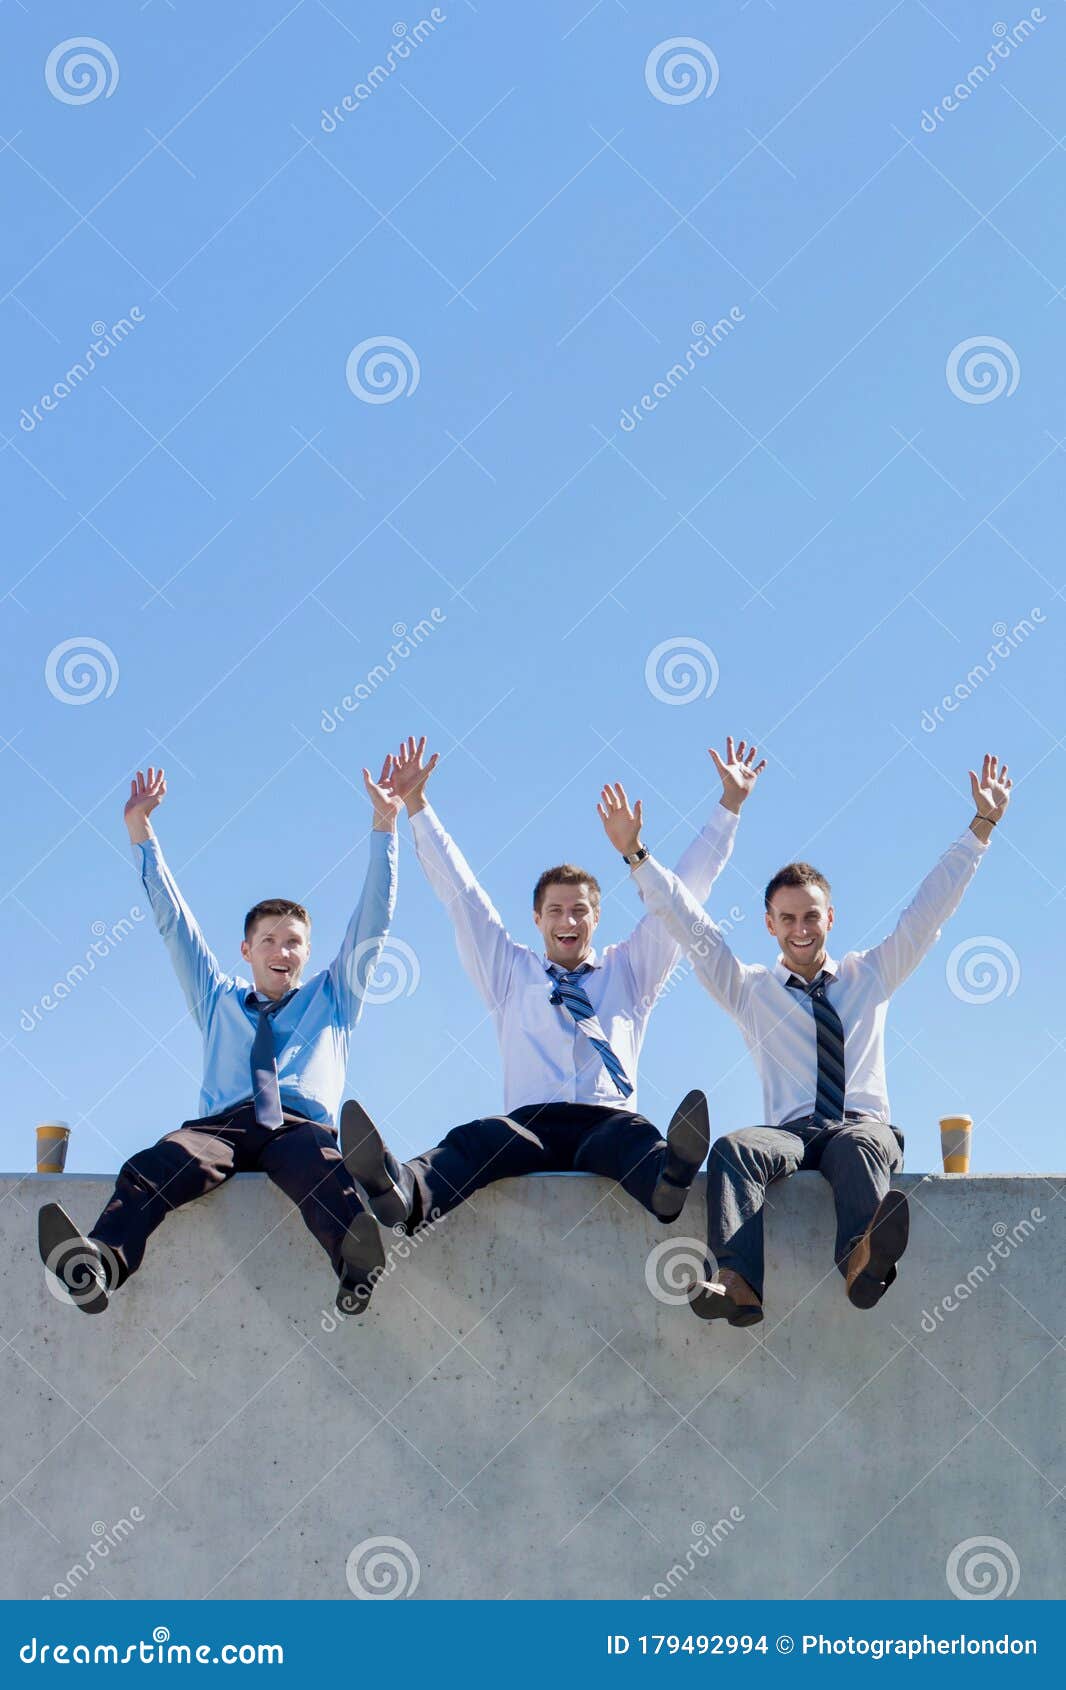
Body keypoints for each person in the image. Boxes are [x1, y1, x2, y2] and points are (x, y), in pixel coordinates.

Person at [599, 753, 1013, 1325]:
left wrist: (981, 830)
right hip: (792, 1135)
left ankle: (862, 1261)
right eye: (788, 918)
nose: (801, 929)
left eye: (811, 917)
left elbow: (928, 912)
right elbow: (689, 924)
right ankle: (738, 1281)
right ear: (769, 924)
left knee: (855, 1145)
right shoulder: (750, 989)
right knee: (735, 1147)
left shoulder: (872, 974)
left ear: (830, 918)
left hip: (862, 1128)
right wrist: (637, 856)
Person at [340, 734, 765, 1268]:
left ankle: (667, 1180)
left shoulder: (629, 970)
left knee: (636, 1138)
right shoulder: (509, 970)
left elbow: (685, 896)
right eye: (557, 910)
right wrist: (419, 807)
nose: (569, 921)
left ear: (597, 917)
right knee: (477, 1138)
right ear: (536, 920)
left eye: (581, 910)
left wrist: (728, 808)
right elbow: (462, 896)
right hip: (529, 1127)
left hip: (605, 1121)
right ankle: (404, 1190)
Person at [37, 759, 400, 1318]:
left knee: (319, 1163)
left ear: (308, 952)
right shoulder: (217, 997)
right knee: (157, 1163)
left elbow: (373, 922)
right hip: (223, 1129)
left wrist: (384, 829)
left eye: (295, 943)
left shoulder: (332, 998)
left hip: (298, 1126)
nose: (283, 952)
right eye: (270, 941)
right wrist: (140, 831)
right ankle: (99, 1264)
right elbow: (173, 923)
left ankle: (355, 1265)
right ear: (246, 951)